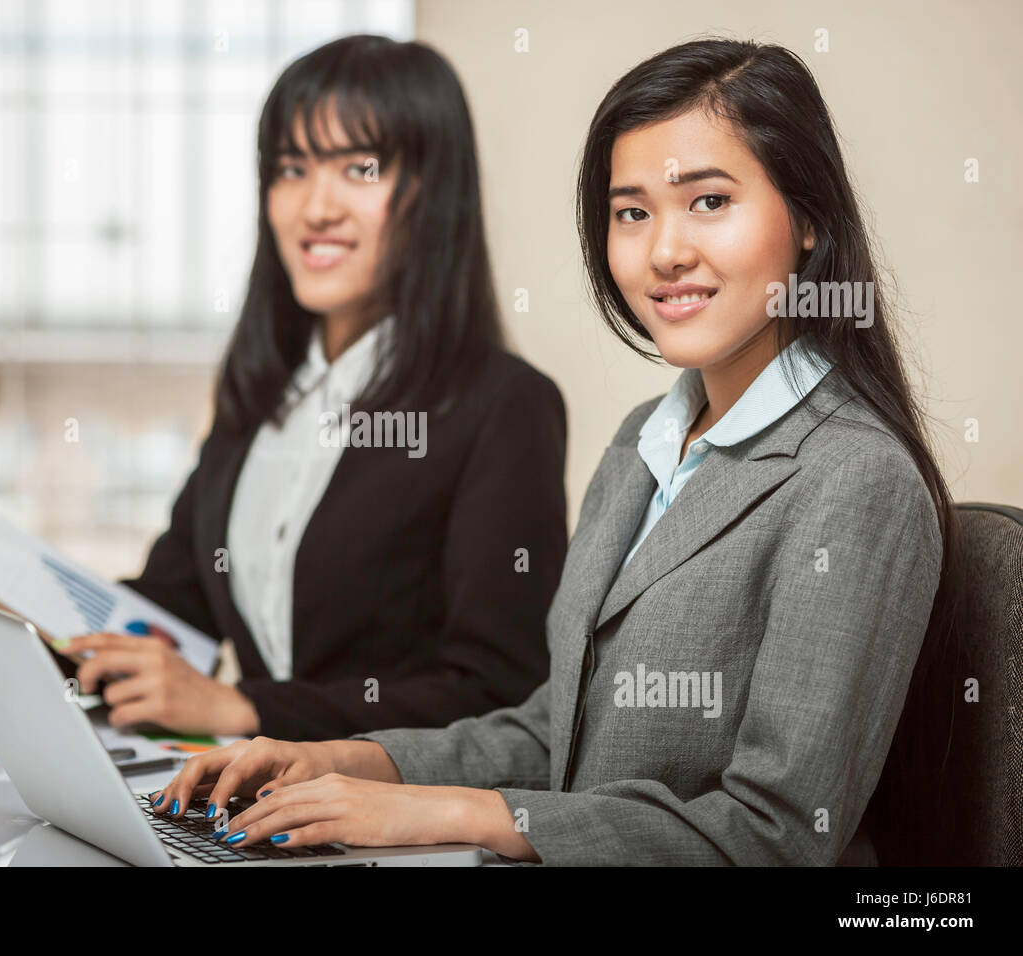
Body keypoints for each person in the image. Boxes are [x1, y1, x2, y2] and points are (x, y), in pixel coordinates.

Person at [149, 37, 963, 865]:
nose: (665, 250)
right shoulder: (645, 442)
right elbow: (555, 732)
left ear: (811, 219)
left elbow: (777, 836)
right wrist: (346, 761)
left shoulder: (855, 479)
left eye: (709, 201)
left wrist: (462, 817)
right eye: (632, 212)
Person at [0, 35, 568, 742]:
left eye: (360, 167)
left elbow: (499, 690)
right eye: (292, 168)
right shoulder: (259, 401)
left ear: (430, 192)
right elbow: (164, 625)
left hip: (401, 829)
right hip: (258, 808)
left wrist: (245, 709)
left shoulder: (503, 406)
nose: (314, 207)